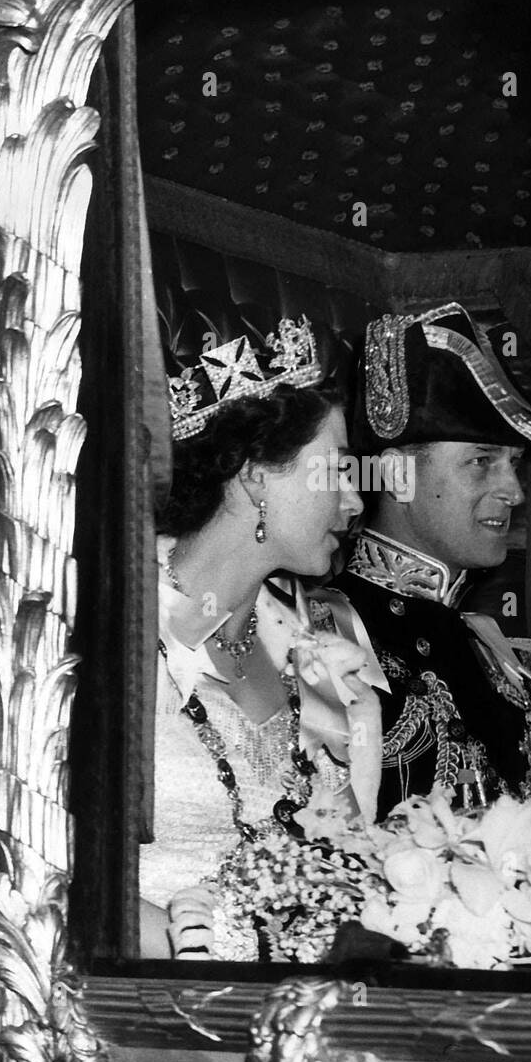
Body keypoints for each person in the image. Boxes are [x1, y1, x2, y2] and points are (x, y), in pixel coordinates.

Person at [332, 302, 531, 875]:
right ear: (396, 474)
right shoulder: (331, 631)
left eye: (513, 464)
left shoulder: (493, 649)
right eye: (482, 462)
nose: (514, 491)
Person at [139, 316, 386, 961]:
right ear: (254, 476)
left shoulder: (332, 640)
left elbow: (351, 867)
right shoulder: (111, 629)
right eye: (333, 471)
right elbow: (47, 878)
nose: (356, 501)